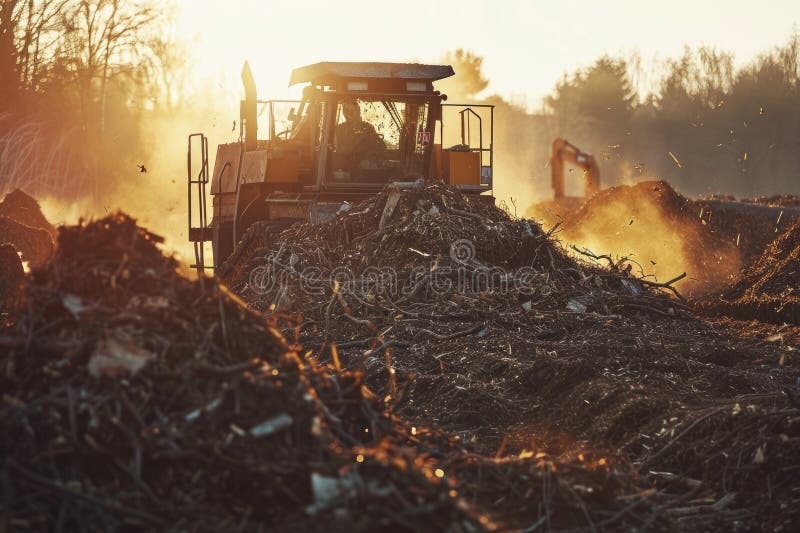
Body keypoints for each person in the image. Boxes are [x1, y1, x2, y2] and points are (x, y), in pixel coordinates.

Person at [334, 101, 385, 176]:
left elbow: (375, 149)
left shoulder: (368, 128)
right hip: (344, 170)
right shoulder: (339, 129)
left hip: (366, 170)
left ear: (358, 111)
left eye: (352, 110)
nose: (348, 113)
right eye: (345, 110)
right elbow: (335, 149)